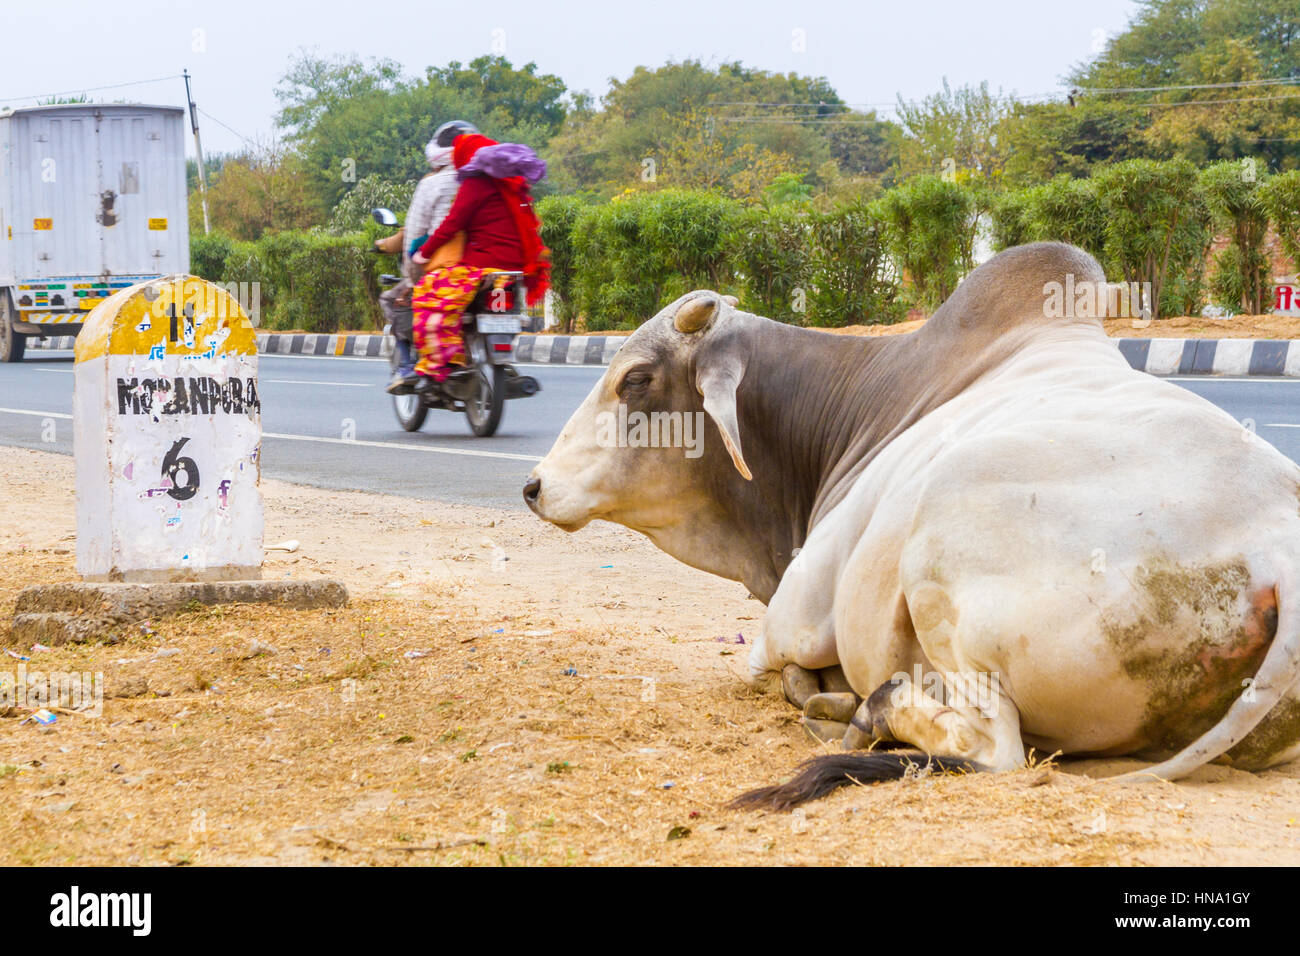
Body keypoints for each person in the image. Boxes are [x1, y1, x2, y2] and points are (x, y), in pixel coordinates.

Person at [393, 133, 549, 392]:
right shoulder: (509, 184)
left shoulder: (475, 183)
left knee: (430, 295)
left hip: (482, 267)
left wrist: (423, 253)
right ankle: (501, 360)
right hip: (513, 269)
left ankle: (446, 362)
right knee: (504, 310)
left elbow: (452, 224)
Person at [377, 120, 477, 389]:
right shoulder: (490, 181)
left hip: (444, 269)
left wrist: (410, 283)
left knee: (394, 298)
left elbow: (414, 237)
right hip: (491, 270)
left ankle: (408, 366)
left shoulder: (433, 184)